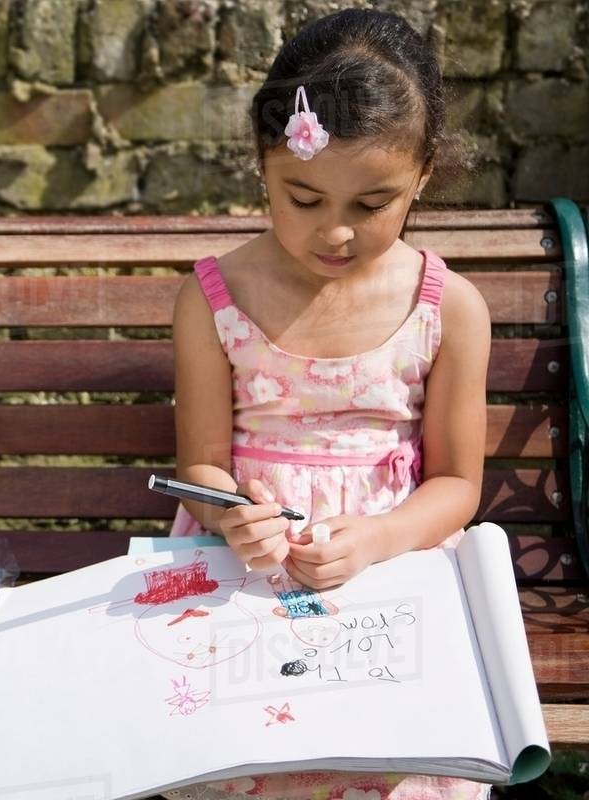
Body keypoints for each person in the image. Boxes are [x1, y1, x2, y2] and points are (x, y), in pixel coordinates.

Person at [166, 7, 491, 800]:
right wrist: (228, 510)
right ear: (262, 166)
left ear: (421, 176)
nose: (335, 233)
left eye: (370, 204)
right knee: (248, 745)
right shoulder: (214, 297)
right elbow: (200, 466)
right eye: (303, 199)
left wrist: (380, 538)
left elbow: (457, 486)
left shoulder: (447, 307)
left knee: (387, 752)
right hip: (245, 570)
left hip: (389, 573)